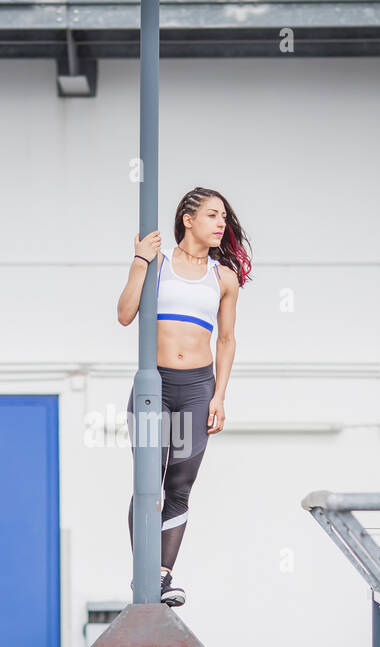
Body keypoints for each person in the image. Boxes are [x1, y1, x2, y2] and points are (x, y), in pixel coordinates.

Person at [116, 186, 252, 606]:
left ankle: (160, 578)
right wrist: (140, 260)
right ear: (188, 219)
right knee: (147, 484)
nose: (221, 224)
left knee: (179, 487)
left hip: (197, 388)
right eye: (213, 215)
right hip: (155, 387)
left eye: (224, 218)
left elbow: (227, 340)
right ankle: (143, 574)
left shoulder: (222, 276)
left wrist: (220, 395)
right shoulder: (158, 262)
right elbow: (124, 315)